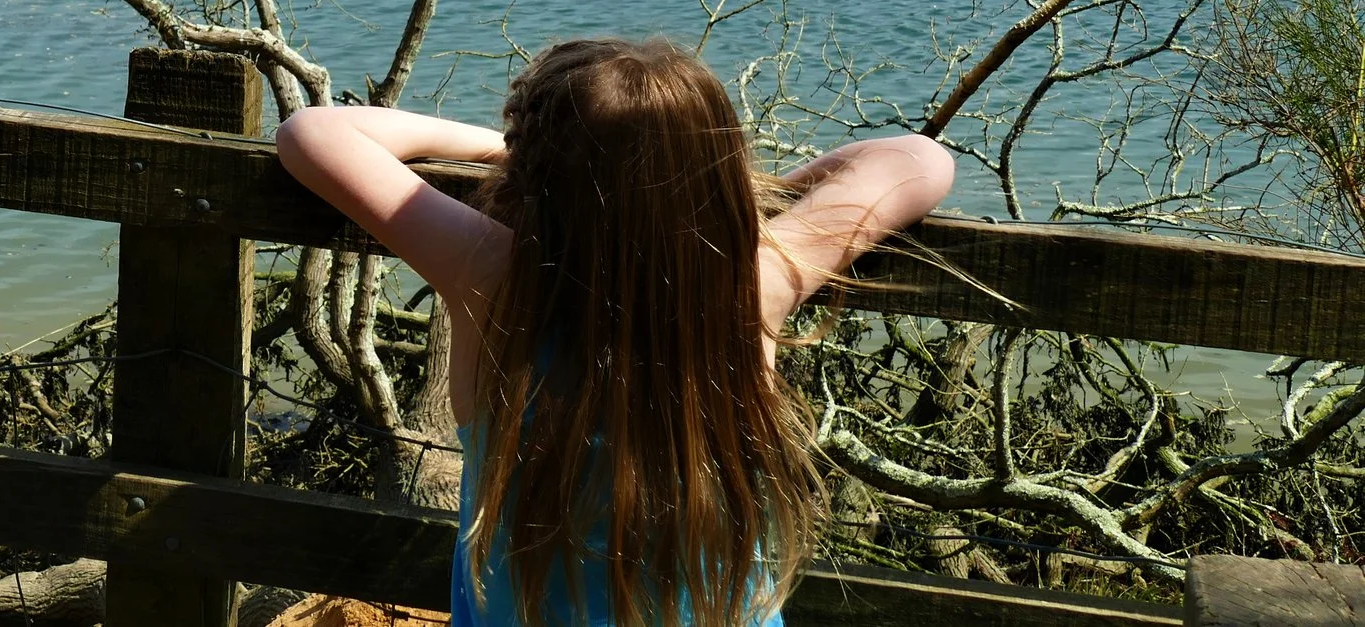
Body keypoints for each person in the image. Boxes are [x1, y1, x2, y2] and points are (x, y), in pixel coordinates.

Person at [275, 37, 956, 627]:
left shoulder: (495, 276)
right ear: (714, 185)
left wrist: (499, 148)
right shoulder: (753, 284)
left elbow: (313, 134)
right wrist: (764, 193)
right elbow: (920, 160)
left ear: (533, 175)